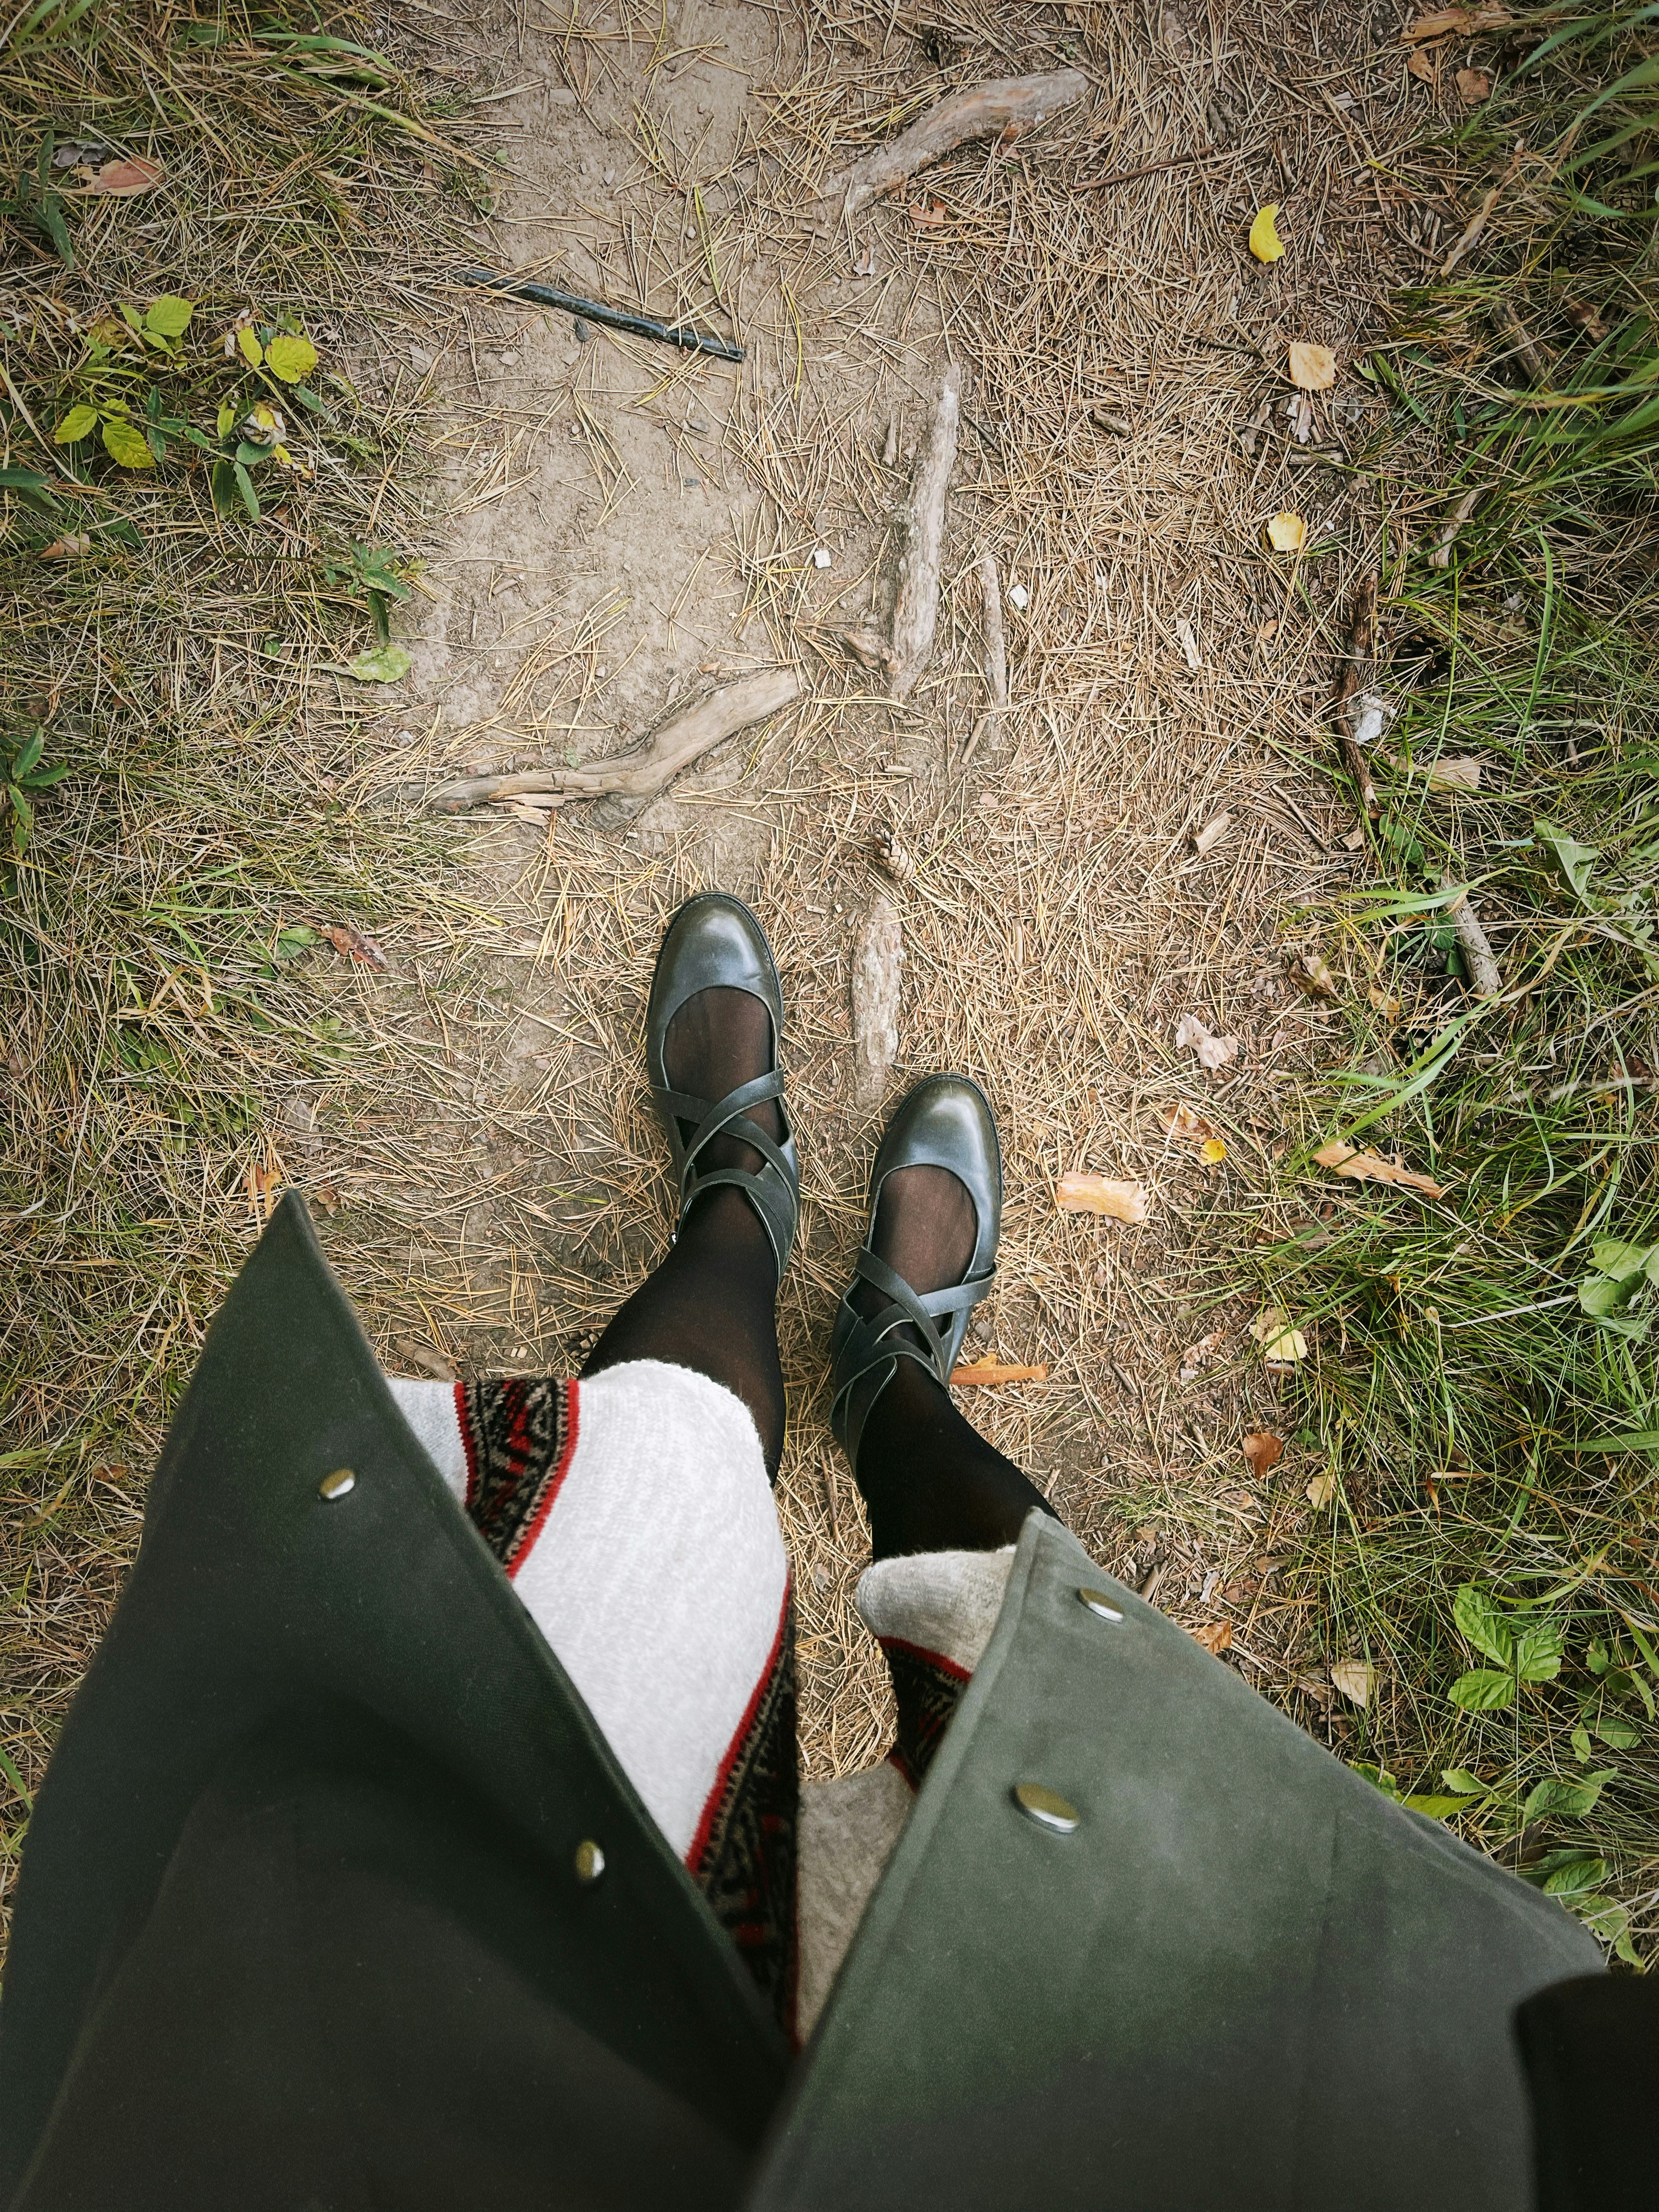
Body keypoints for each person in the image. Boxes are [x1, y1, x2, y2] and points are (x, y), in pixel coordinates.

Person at [0, 895, 1641, 2211]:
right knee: (1037, 1664)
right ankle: (885, 1376)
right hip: (1259, 2099)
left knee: (656, 1502)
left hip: (422, 2056)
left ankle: (744, 1207)